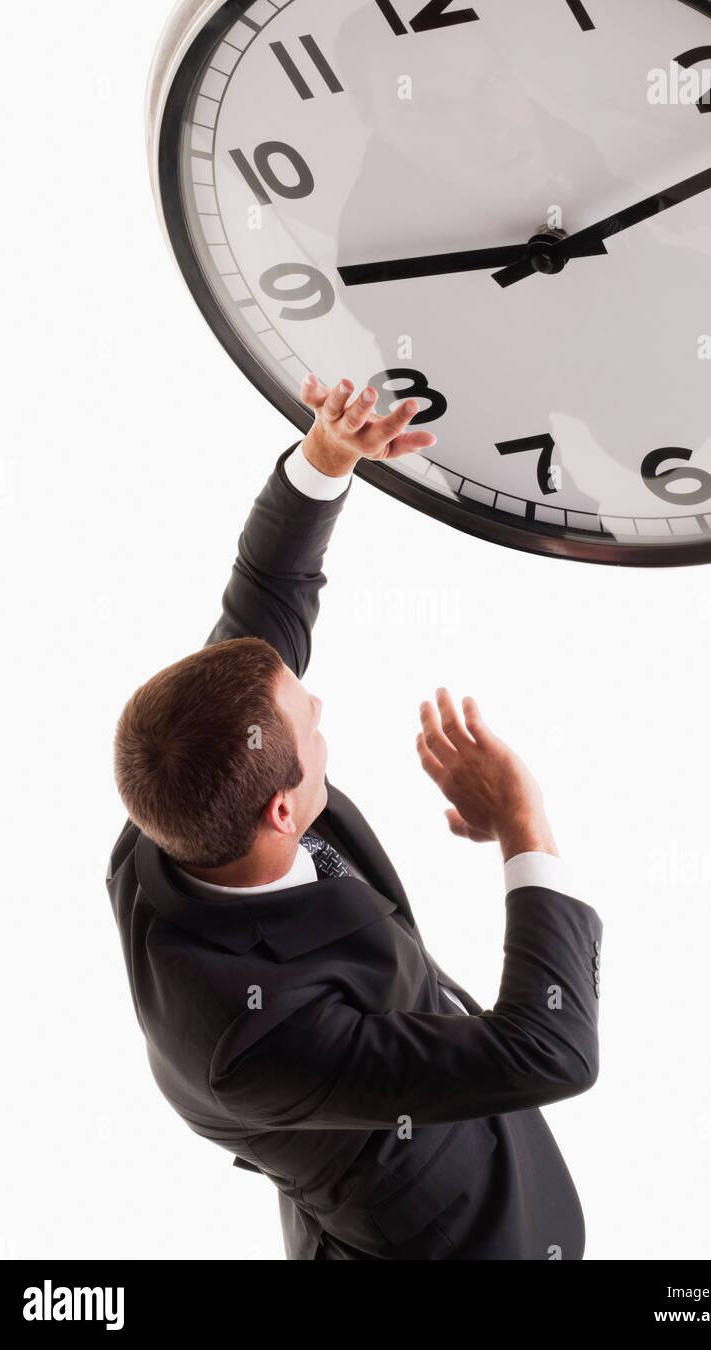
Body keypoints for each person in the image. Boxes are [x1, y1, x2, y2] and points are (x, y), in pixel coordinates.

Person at [107, 373, 603, 1260]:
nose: (320, 704)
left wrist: (325, 457)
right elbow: (550, 1050)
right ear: (283, 810)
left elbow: (266, 602)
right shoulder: (256, 1038)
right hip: (445, 1235)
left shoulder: (186, 780)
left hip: (381, 1106)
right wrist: (523, 823)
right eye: (309, 721)